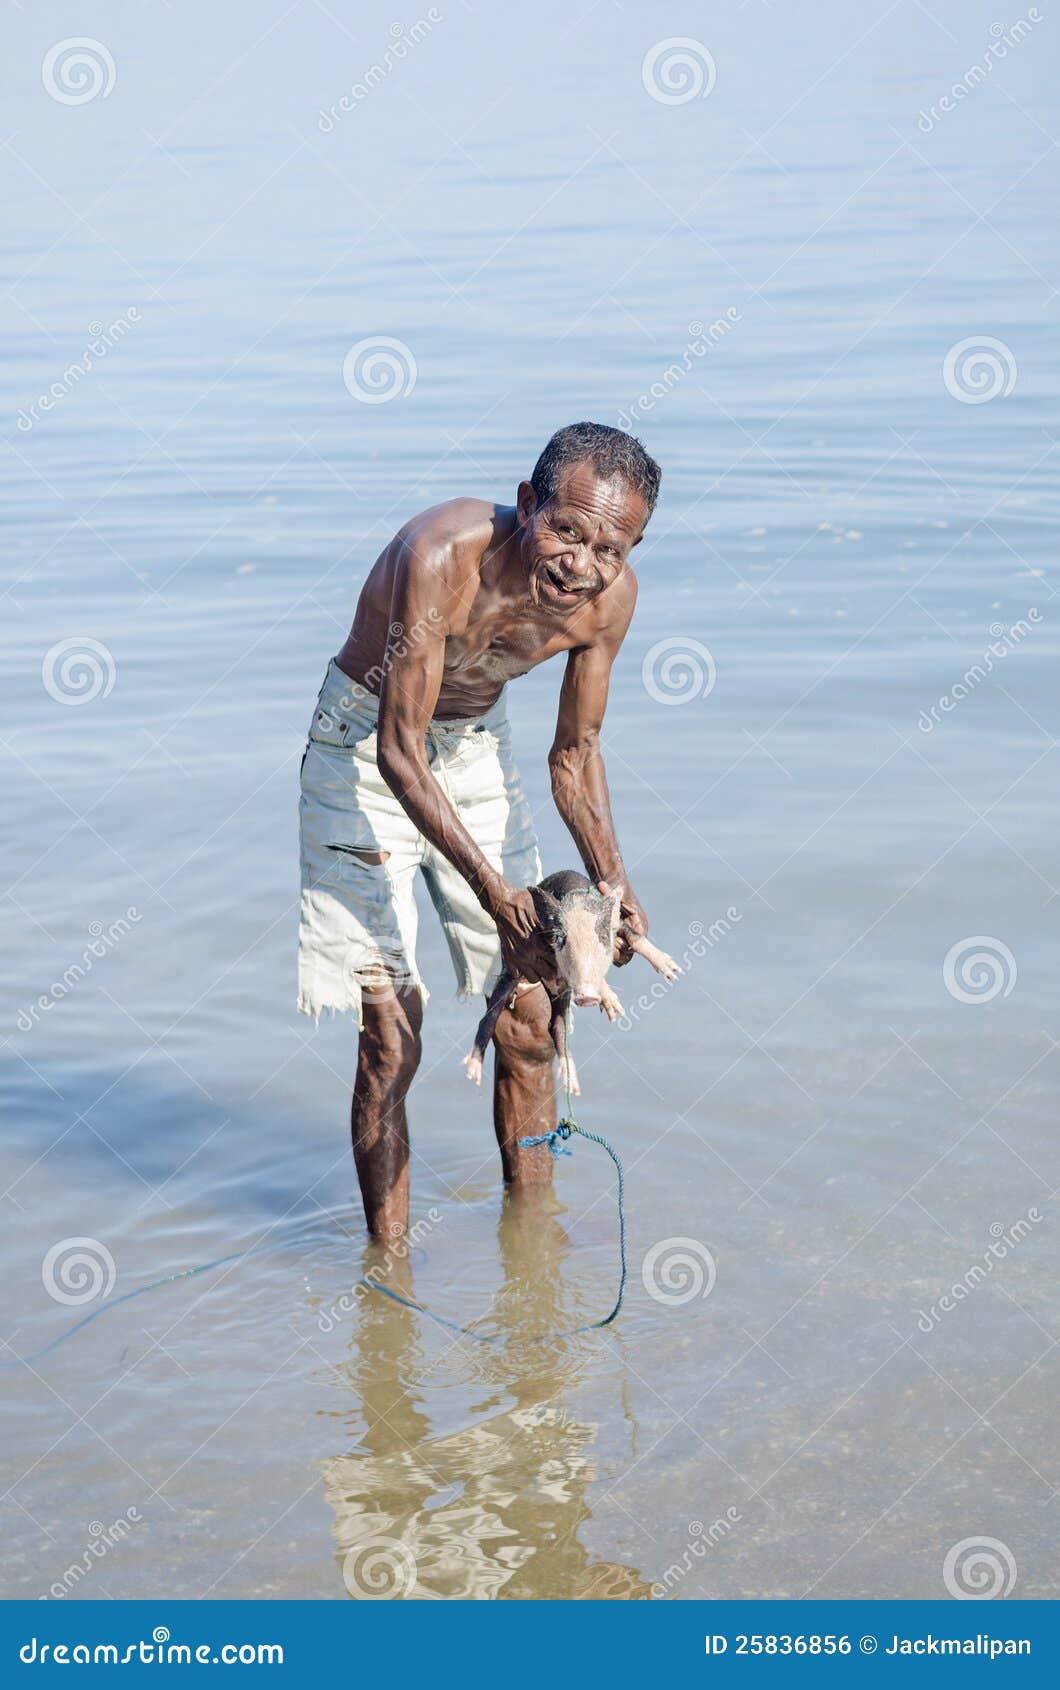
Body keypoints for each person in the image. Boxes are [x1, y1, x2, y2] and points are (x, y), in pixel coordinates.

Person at [298, 421, 661, 1237]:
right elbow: (398, 750)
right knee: (393, 1033)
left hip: (472, 743)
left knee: (530, 1012)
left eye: (611, 549)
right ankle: (387, 1274)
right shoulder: (441, 552)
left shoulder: (610, 601)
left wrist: (615, 888)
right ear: (528, 504)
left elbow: (575, 754)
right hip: (362, 740)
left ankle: (530, 1252)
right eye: (566, 531)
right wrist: (499, 896)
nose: (581, 565)